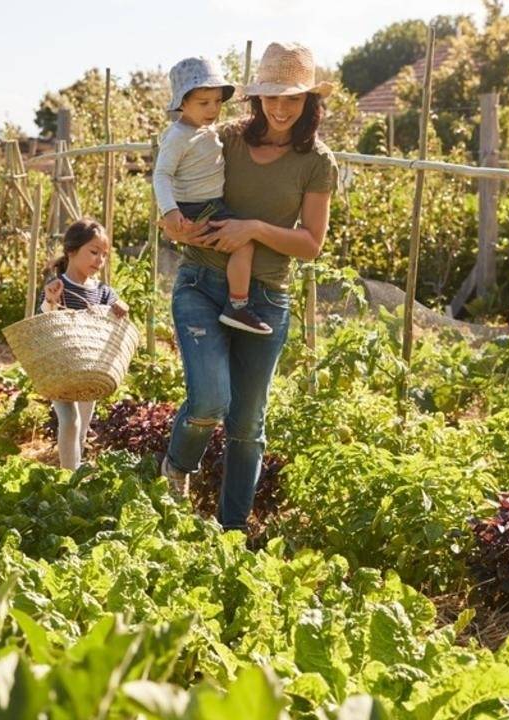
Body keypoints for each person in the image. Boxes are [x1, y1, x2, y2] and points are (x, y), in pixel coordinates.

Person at [158, 42, 338, 532]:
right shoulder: (226, 138)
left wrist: (254, 229)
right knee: (210, 399)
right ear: (256, 99)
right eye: (270, 98)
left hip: (265, 298)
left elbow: (311, 244)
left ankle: (231, 531)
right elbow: (173, 180)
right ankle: (176, 467)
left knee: (246, 424)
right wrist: (170, 221)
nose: (280, 109)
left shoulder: (317, 162)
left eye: (292, 99)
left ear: (308, 104)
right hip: (201, 281)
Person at [154, 57, 268, 335]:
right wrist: (170, 211)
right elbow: (161, 174)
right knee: (244, 245)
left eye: (217, 101)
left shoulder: (205, 130)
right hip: (197, 208)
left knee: (240, 242)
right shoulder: (178, 136)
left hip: (209, 204)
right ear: (183, 103)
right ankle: (237, 306)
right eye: (204, 103)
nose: (213, 109)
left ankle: (233, 303)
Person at [38, 219, 129, 470]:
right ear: (71, 251)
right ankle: (69, 479)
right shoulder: (57, 287)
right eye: (93, 252)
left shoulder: (102, 291)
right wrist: (51, 301)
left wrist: (121, 307)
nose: (99, 259)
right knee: (70, 420)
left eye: (104, 254)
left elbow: (120, 309)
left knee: (82, 426)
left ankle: (74, 475)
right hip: (62, 368)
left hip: (90, 369)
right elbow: (43, 322)